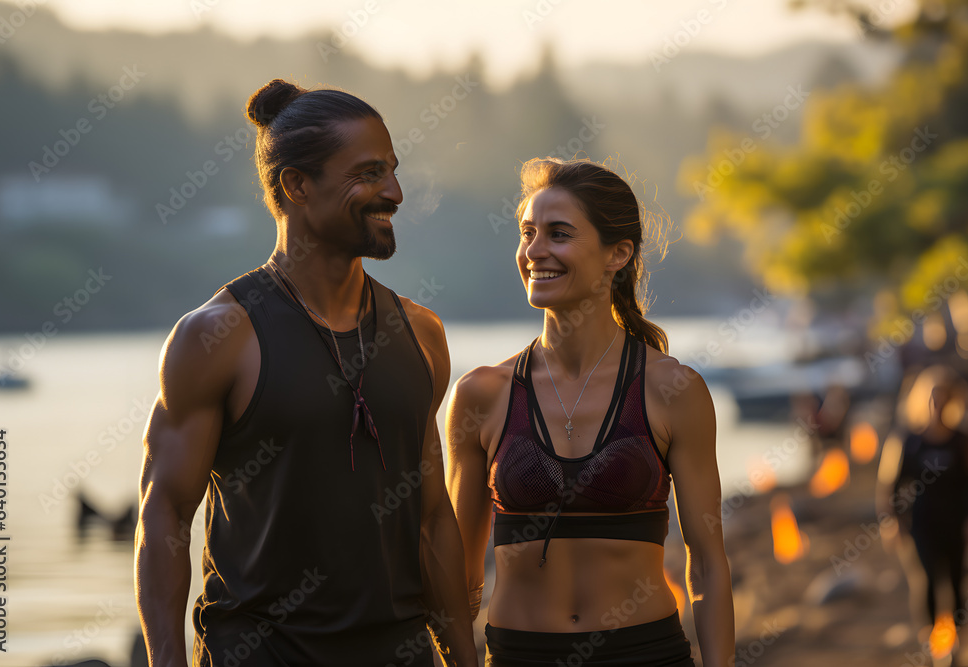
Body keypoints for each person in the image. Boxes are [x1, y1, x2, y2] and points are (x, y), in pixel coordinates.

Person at [134, 79, 478, 667]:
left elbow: (429, 518)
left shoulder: (422, 334)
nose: (393, 192)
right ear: (296, 184)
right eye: (369, 173)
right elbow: (164, 513)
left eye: (393, 171)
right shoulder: (218, 336)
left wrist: (464, 658)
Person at [446, 157, 735, 666]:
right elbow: (455, 579)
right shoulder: (482, 394)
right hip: (519, 655)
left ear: (617, 254)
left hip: (645, 655)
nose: (534, 251)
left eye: (558, 234)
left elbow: (707, 564)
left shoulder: (673, 389)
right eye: (527, 232)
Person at [877, 364, 968, 647]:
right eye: (934, 397)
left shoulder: (964, 441)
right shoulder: (910, 442)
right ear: (924, 399)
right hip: (922, 525)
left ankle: (956, 640)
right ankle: (935, 642)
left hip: (956, 525)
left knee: (956, 583)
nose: (938, 403)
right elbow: (891, 486)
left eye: (944, 397)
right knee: (930, 580)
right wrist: (891, 521)